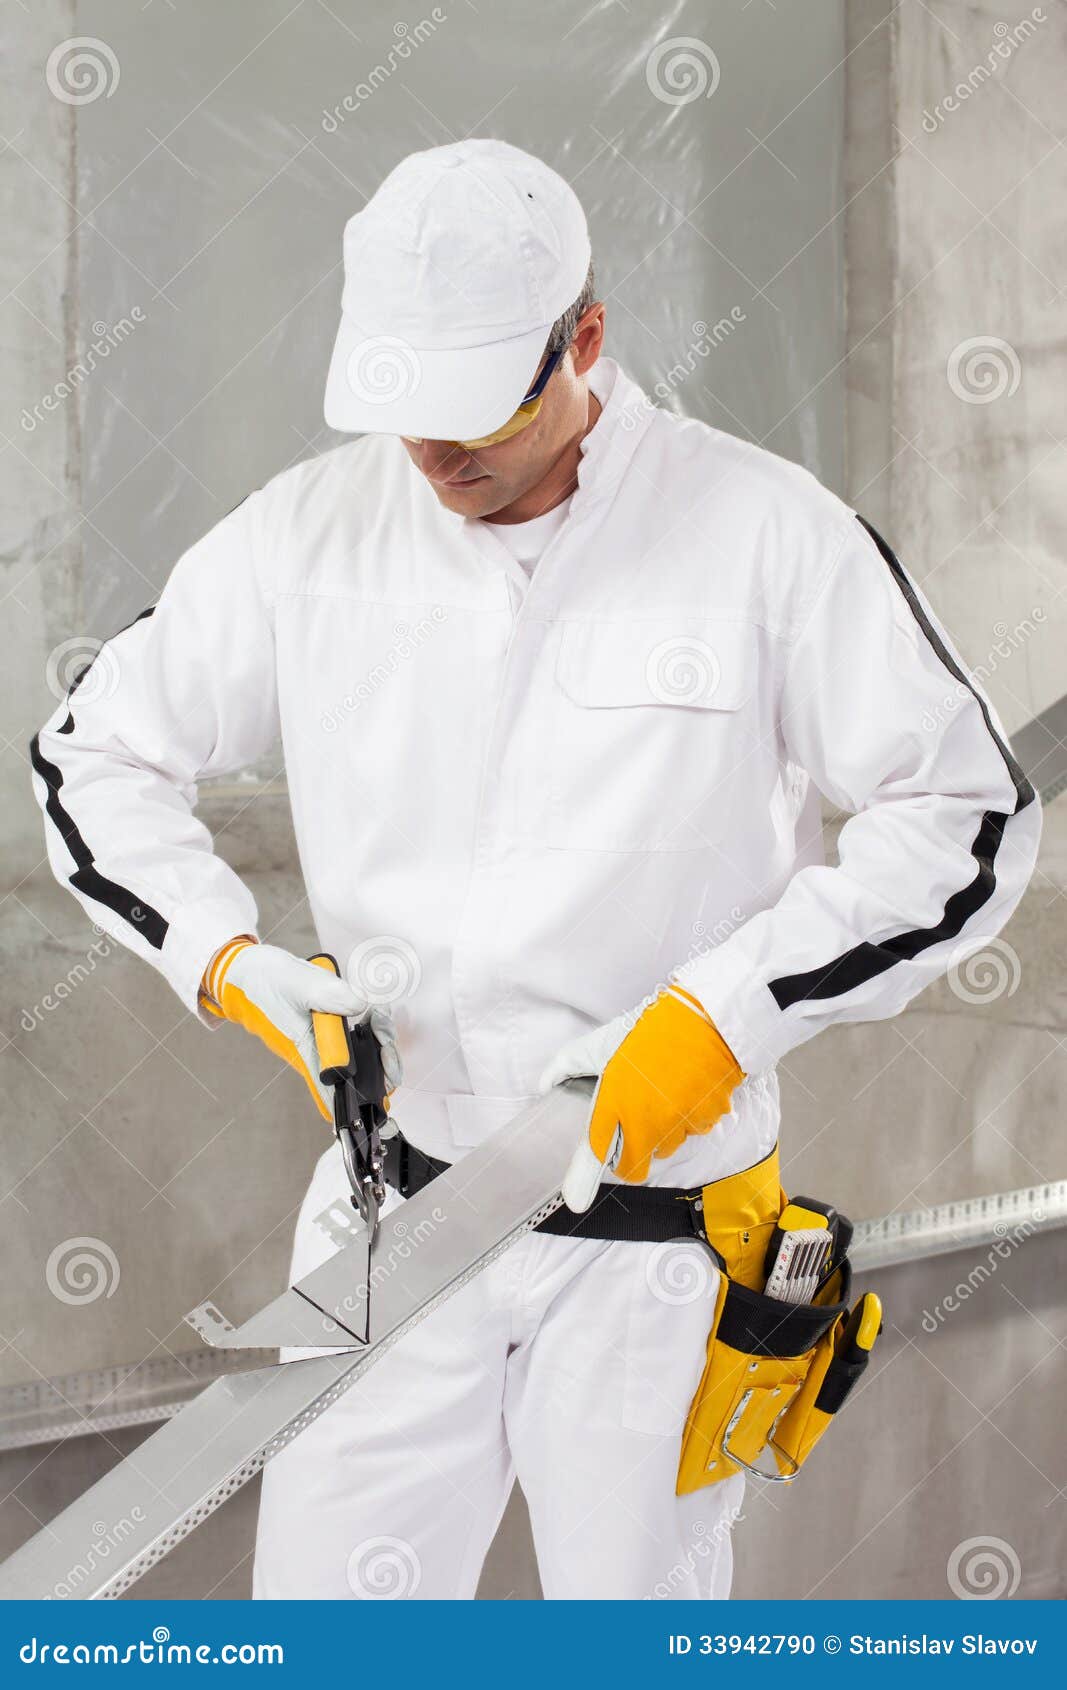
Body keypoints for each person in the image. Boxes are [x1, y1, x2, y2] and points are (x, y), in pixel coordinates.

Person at [31, 139, 1041, 1600]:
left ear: (587, 337)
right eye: (406, 409)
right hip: (393, 1223)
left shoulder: (766, 535)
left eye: (475, 408)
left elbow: (964, 812)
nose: (436, 454)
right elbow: (90, 754)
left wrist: (732, 1009)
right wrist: (228, 959)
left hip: (659, 1243)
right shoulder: (311, 537)